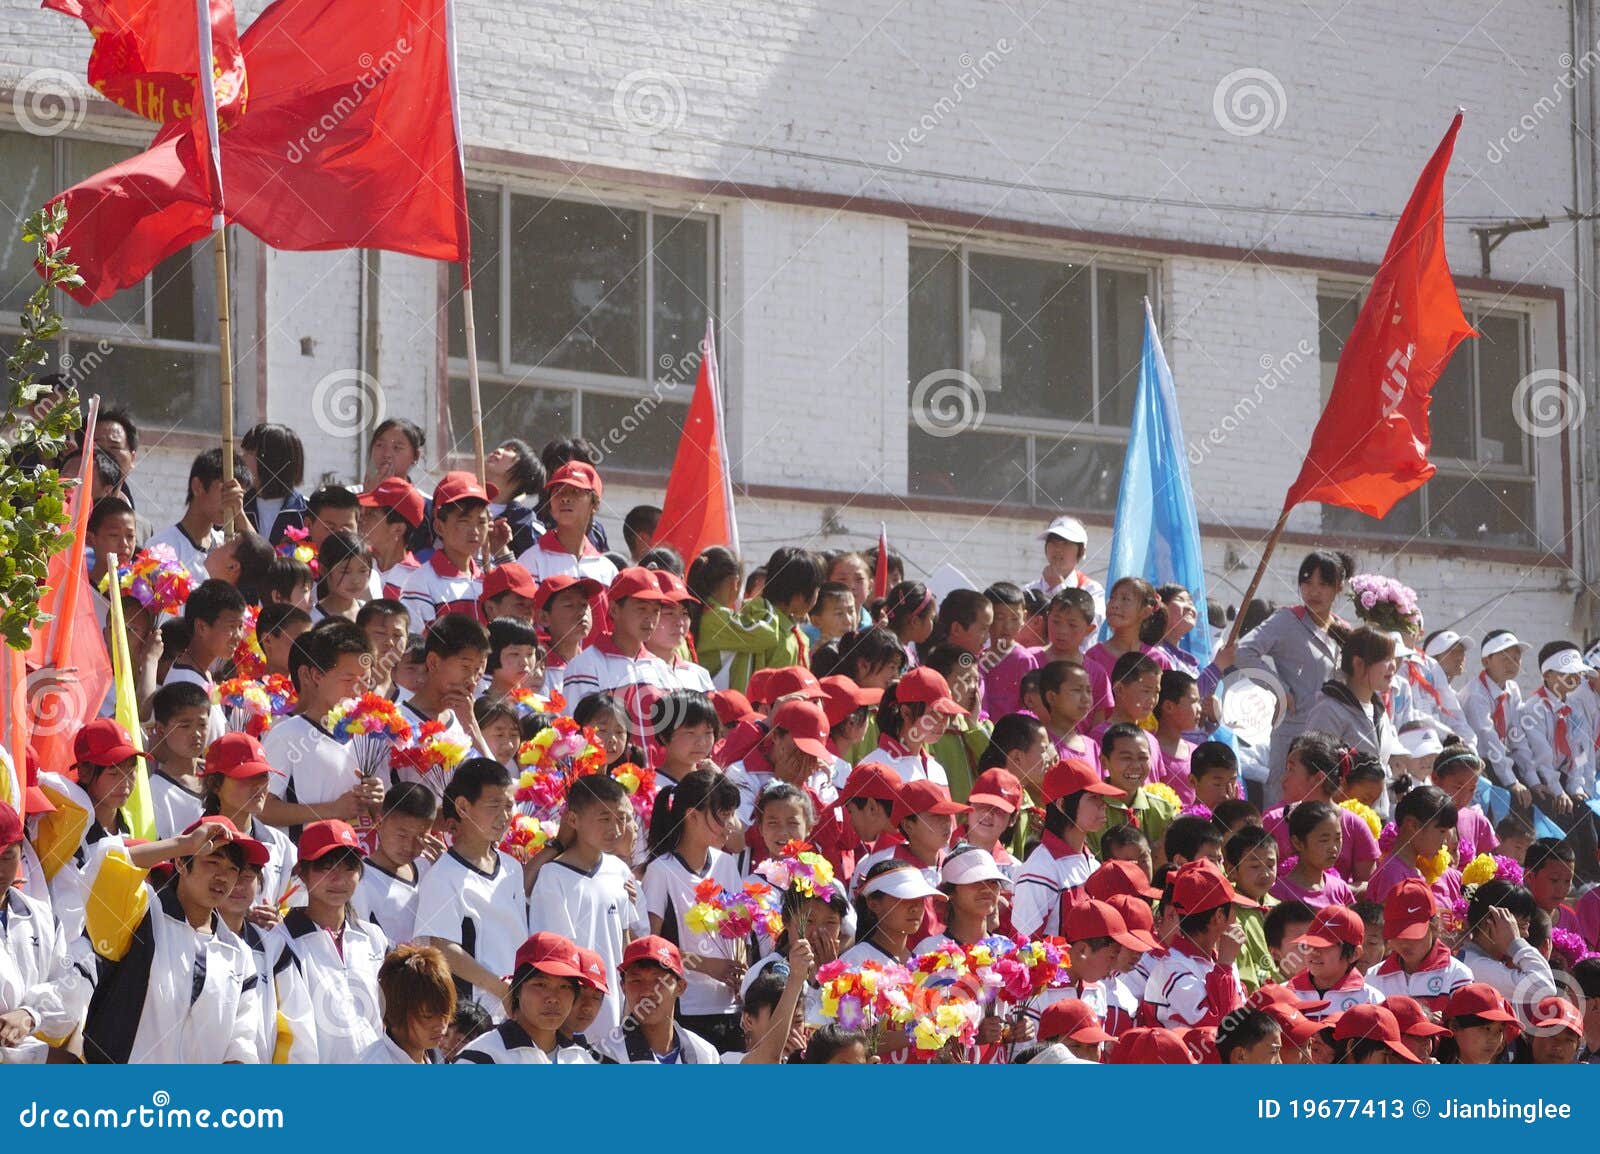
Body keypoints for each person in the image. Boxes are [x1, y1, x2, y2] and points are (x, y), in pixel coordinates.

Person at [80, 817, 270, 1063]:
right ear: (181, 863)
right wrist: (183, 844)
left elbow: (241, 1044)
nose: (223, 877)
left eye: (233, 869)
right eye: (212, 862)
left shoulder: (240, 954)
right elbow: (105, 865)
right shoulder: (142, 914)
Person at [527, 774, 647, 1035]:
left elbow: (625, 938)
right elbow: (558, 955)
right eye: (604, 819)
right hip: (573, 1015)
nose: (614, 829)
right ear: (573, 820)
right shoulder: (552, 876)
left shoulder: (620, 871)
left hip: (615, 1008)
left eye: (621, 818)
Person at [1235, 549, 1354, 805]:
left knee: (1323, 808)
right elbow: (1244, 651)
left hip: (1331, 738)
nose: (1314, 591)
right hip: (1293, 733)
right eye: (1307, 582)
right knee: (1283, 803)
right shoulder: (1287, 619)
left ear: (1338, 587)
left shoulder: (1342, 630)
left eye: (1323, 584)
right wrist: (1278, 688)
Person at [641, 768, 744, 1050]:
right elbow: (651, 948)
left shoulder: (726, 864)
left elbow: (740, 929)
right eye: (722, 816)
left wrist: (740, 969)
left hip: (731, 1007)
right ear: (692, 815)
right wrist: (707, 965)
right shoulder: (661, 870)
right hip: (686, 1008)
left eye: (731, 814)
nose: (730, 825)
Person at [270, 820, 388, 1062]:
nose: (339, 879)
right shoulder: (279, 942)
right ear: (302, 872)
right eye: (326, 867)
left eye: (349, 867)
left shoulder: (374, 937)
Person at [415, 758, 525, 1017]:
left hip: (516, 1010)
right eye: (494, 805)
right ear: (463, 807)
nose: (504, 815)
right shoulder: (442, 875)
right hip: (471, 1016)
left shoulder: (512, 868)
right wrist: (501, 989)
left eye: (508, 806)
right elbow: (442, 949)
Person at [262, 620, 383, 830]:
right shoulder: (287, 734)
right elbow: (262, 808)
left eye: (366, 680)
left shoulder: (370, 735)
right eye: (348, 679)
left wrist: (378, 800)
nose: (358, 689)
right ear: (317, 675)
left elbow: (379, 816)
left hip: (359, 856)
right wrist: (331, 810)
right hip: (308, 858)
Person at [0, 801, 88, 1064]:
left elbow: (73, 988)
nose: (1, 869)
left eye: (7, 856)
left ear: (21, 852)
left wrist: (30, 1013)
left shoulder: (42, 916)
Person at [560, 567, 675, 741]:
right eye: (641, 609)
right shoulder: (584, 665)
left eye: (655, 611)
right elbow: (575, 735)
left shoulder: (661, 668)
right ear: (614, 609)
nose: (650, 619)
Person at [1012, 759, 1121, 937]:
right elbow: (1024, 947)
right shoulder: (1039, 870)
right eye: (1093, 797)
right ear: (1062, 804)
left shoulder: (1089, 859)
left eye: (1101, 797)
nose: (1103, 804)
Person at [1142, 859, 1256, 1029]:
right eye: (1233, 908)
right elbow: (1225, 1032)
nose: (1236, 917)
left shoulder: (1217, 958)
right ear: (1218, 916)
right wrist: (1224, 966)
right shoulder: (1172, 968)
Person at [454, 933, 595, 1064]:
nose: (553, 998)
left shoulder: (582, 1059)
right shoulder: (482, 1057)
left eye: (564, 987)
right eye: (540, 984)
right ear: (516, 990)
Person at [396, 614, 492, 779]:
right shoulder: (395, 721)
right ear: (434, 662)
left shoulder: (465, 719)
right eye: (465, 666)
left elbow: (495, 781)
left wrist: (471, 724)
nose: (472, 680)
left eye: (477, 670)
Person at [597, 936, 720, 1063]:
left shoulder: (705, 1055)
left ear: (680, 987)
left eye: (659, 981)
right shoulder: (605, 1055)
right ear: (623, 987)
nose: (647, 991)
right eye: (636, 981)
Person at [399, 473, 494, 629]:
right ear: (439, 527)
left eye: (481, 522)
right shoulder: (421, 582)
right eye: (464, 521)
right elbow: (416, 645)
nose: (475, 531)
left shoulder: (487, 579)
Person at [162, 578, 248, 745]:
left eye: (240, 626)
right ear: (201, 627)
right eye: (231, 626)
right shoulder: (185, 684)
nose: (238, 636)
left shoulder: (204, 674)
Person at [1366, 878, 1474, 1010]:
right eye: (1397, 934)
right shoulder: (1372, 977)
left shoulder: (1457, 975)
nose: (1404, 943)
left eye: (1413, 934)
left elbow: (1465, 1029)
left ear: (1434, 926)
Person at [352, 782, 439, 945]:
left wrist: (445, 871)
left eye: (420, 837)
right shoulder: (360, 880)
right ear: (379, 822)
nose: (409, 846)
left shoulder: (428, 868)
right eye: (401, 835)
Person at [146, 447, 249, 582]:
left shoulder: (227, 544)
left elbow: (263, 564)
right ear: (197, 486)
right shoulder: (161, 546)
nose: (230, 500)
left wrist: (239, 513)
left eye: (238, 495)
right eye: (224, 490)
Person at [1303, 626, 1400, 766]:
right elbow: (1314, 767)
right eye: (1385, 659)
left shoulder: (1379, 712)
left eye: (1393, 658)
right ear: (1358, 664)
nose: (1393, 666)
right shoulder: (1328, 712)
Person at [730, 547, 825, 686]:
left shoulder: (792, 632)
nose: (818, 596)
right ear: (800, 595)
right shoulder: (766, 629)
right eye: (817, 590)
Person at [516, 460, 618, 586]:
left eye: (575, 492)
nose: (565, 498)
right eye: (559, 492)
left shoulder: (607, 570)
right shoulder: (530, 561)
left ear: (595, 504)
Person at [1461, 630, 1533, 806]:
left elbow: (1518, 735)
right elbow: (1488, 740)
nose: (1512, 664)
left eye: (1516, 658)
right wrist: (1512, 782)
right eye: (1505, 659)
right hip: (1482, 764)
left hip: (1504, 760)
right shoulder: (1476, 694)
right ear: (1486, 661)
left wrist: (1532, 779)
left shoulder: (1512, 689)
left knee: (1537, 795)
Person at [1458, 879, 1556, 1003]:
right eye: (1519, 926)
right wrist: (1515, 943)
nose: (1526, 935)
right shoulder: (1477, 966)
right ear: (1491, 921)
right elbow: (1544, 988)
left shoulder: (1476, 961)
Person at [1366, 784, 1462, 907]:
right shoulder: (1393, 874)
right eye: (1442, 831)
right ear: (1412, 825)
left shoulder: (1410, 871)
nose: (1444, 842)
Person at [363, 943, 455, 1064]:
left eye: (445, 1013)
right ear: (397, 1011)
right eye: (428, 1015)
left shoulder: (437, 1058)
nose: (441, 1025)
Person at [1286, 905, 1383, 1013]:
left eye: (1325, 946)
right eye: (1310, 944)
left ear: (1354, 954)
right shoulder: (1285, 994)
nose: (1313, 952)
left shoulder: (1371, 1000)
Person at [146, 681, 210, 838]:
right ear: (161, 729)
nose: (196, 733)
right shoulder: (155, 790)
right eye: (185, 726)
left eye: (202, 724)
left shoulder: (218, 780)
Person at [1269, 801, 1357, 909]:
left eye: (1338, 839)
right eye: (1324, 840)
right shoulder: (1280, 893)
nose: (1334, 848)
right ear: (1298, 843)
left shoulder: (1340, 889)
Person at [1225, 823, 1280, 990]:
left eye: (1270, 865)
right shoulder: (1228, 912)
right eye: (1255, 866)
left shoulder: (1280, 909)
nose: (1265, 874)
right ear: (1232, 870)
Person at [1025, 515, 1104, 628]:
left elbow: (1094, 625)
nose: (1058, 549)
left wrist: (1059, 589)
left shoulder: (1093, 590)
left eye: (1066, 543)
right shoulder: (1030, 591)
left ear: (1081, 551)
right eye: (1053, 542)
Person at [239, 422, 308, 545]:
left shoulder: (305, 512)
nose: (241, 459)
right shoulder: (235, 506)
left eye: (249, 453)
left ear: (271, 461)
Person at [357, 476, 425, 599]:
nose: (362, 519)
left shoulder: (418, 578)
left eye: (371, 514)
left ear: (398, 529)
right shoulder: (354, 563)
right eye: (363, 512)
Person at [979, 581, 1038, 720]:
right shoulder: (978, 658)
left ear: (1024, 617)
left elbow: (1032, 708)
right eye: (1000, 618)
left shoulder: (1024, 660)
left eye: (1014, 618)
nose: (1007, 626)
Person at [1037, 660, 1099, 769]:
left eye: (1089, 691)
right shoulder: (1042, 745)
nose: (1085, 699)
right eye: (1077, 690)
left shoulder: (1092, 746)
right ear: (1051, 697)